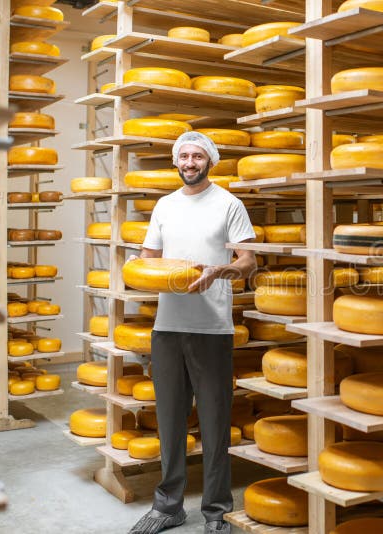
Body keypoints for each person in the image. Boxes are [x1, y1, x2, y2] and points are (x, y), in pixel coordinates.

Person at [128, 131, 257, 534]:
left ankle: (216, 511)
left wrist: (222, 270)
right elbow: (149, 258)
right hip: (167, 326)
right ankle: (168, 506)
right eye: (183, 156)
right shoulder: (164, 206)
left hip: (211, 327)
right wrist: (137, 266)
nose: (189, 162)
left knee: (215, 421)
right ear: (175, 161)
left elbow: (249, 261)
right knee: (169, 420)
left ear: (210, 162)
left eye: (197, 156)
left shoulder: (228, 204)